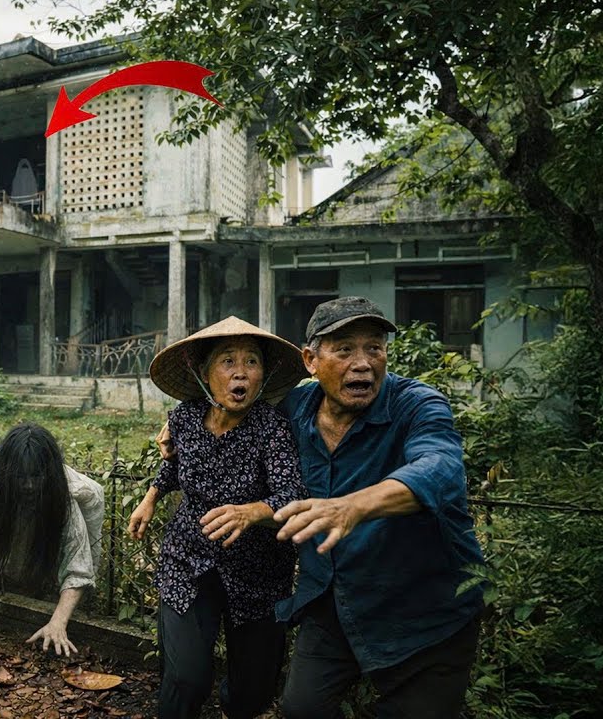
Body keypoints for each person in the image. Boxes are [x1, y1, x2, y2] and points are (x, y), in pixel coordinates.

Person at [270, 297, 485, 718]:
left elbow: (440, 468)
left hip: (425, 613)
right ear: (311, 360)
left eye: (374, 347)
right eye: (345, 349)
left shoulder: (418, 404)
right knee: (299, 710)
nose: (364, 363)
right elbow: (239, 422)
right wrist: (187, 422)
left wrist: (351, 507)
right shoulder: (293, 411)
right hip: (334, 603)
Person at [130, 316, 309, 719]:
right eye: (228, 361)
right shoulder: (184, 418)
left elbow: (292, 495)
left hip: (258, 574)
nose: (241, 372)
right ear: (204, 373)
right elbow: (176, 466)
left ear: (264, 374)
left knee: (252, 693)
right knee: (186, 678)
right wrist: (151, 497)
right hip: (188, 558)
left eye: (251, 361)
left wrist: (253, 512)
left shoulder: (272, 429)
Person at [0, 422, 104, 657]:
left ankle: (47, 585)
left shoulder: (71, 493)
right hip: (8, 502)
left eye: (36, 476)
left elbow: (79, 566)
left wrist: (58, 623)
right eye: (22, 477)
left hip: (55, 508)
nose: (30, 485)